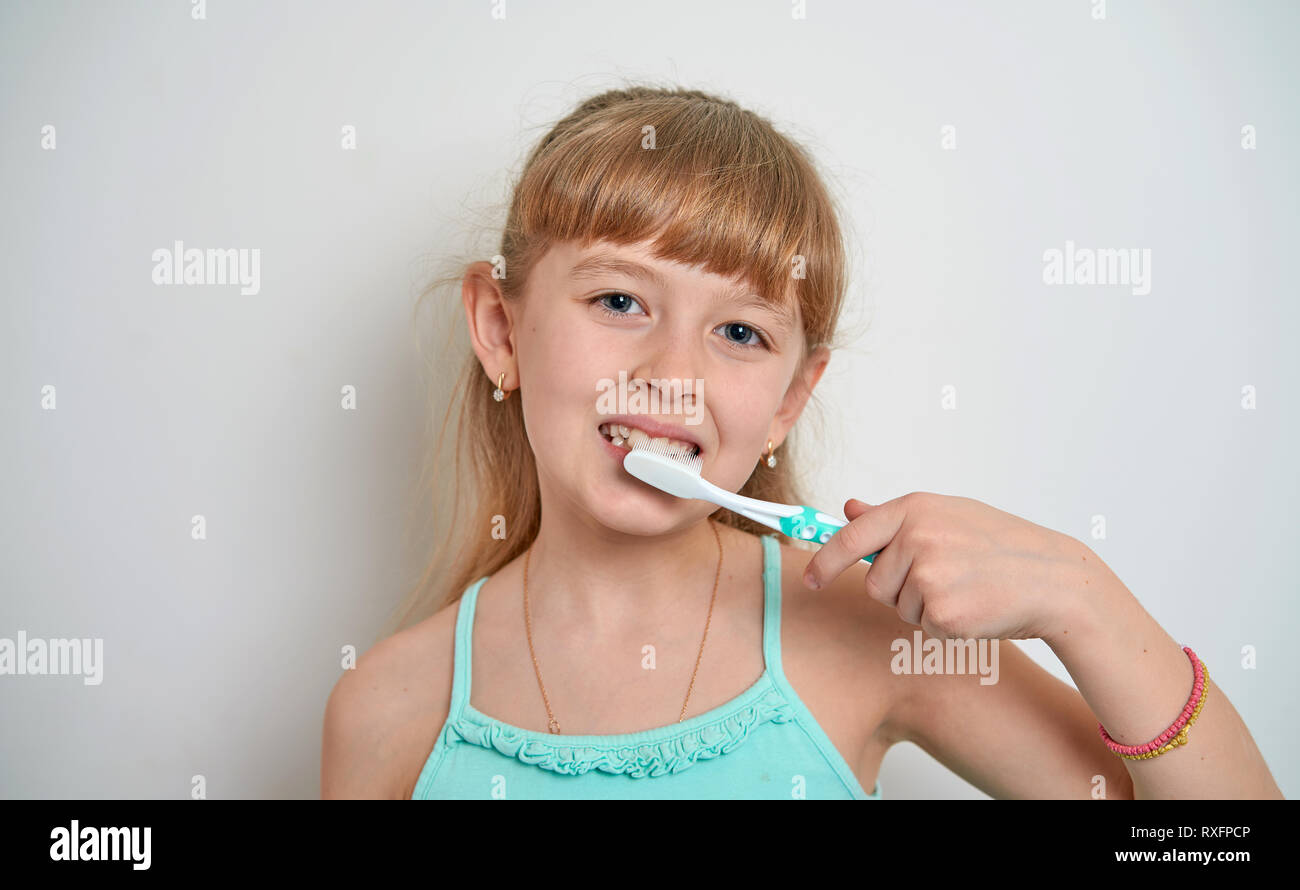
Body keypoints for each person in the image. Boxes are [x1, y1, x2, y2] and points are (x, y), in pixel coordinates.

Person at [321, 84, 1282, 800]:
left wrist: (1083, 598)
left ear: (789, 398)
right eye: (619, 300)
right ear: (500, 327)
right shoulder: (388, 709)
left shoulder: (868, 633)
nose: (676, 372)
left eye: (741, 333)